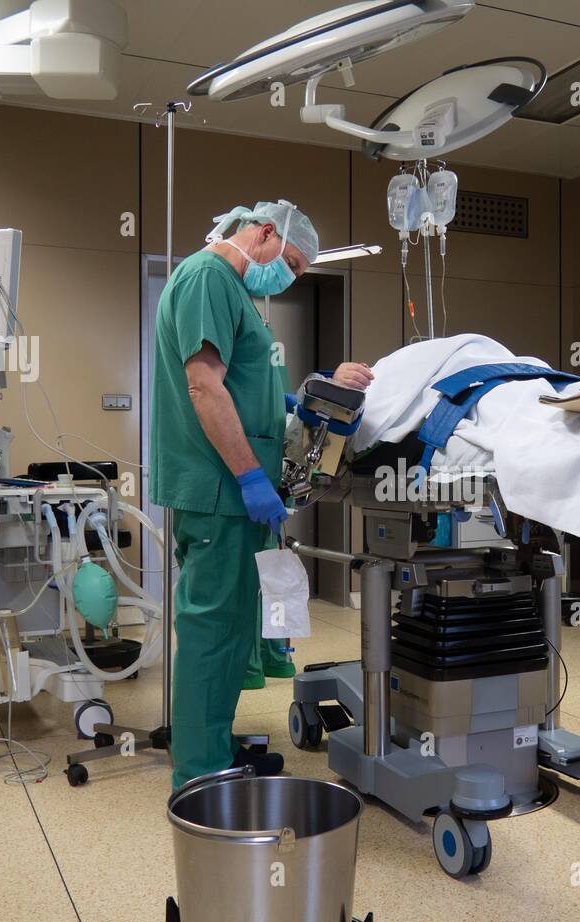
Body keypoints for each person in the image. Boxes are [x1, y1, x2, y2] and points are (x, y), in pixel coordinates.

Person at [149, 200, 374, 789]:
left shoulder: (231, 291)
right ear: (267, 233)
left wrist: (296, 400)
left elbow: (242, 385)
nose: (291, 278)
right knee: (210, 632)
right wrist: (251, 476)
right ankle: (198, 774)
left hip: (230, 491)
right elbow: (203, 386)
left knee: (228, 632)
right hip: (219, 489)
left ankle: (216, 749)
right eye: (293, 264)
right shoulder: (207, 277)